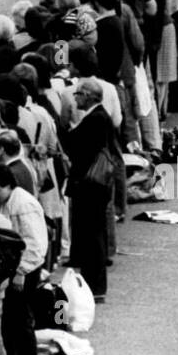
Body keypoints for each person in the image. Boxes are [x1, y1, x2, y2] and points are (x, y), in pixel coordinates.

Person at [0, 162, 46, 355]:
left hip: (24, 271)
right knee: (11, 322)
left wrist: (20, 272)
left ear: (8, 186)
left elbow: (34, 244)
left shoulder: (24, 205)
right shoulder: (7, 201)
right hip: (16, 269)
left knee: (21, 321)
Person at [61, 78, 117, 301]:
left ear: (88, 95)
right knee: (93, 234)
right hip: (96, 184)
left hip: (89, 185)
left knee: (92, 235)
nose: (75, 99)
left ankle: (94, 286)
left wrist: (62, 127)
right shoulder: (100, 116)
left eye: (78, 94)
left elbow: (76, 146)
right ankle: (94, 285)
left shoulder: (95, 119)